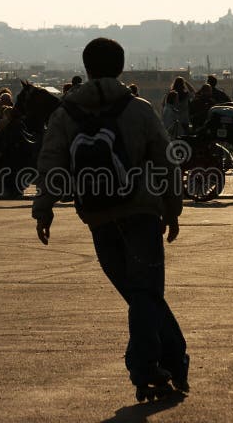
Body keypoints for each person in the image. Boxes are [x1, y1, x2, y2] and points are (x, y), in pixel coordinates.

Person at [32, 38, 188, 399]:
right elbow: (167, 163)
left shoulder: (65, 114)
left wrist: (44, 208)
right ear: (121, 67)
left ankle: (172, 362)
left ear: (86, 68)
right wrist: (172, 208)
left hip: (97, 214)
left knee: (138, 295)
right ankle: (150, 367)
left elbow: (51, 162)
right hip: (141, 211)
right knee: (146, 292)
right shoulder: (139, 110)